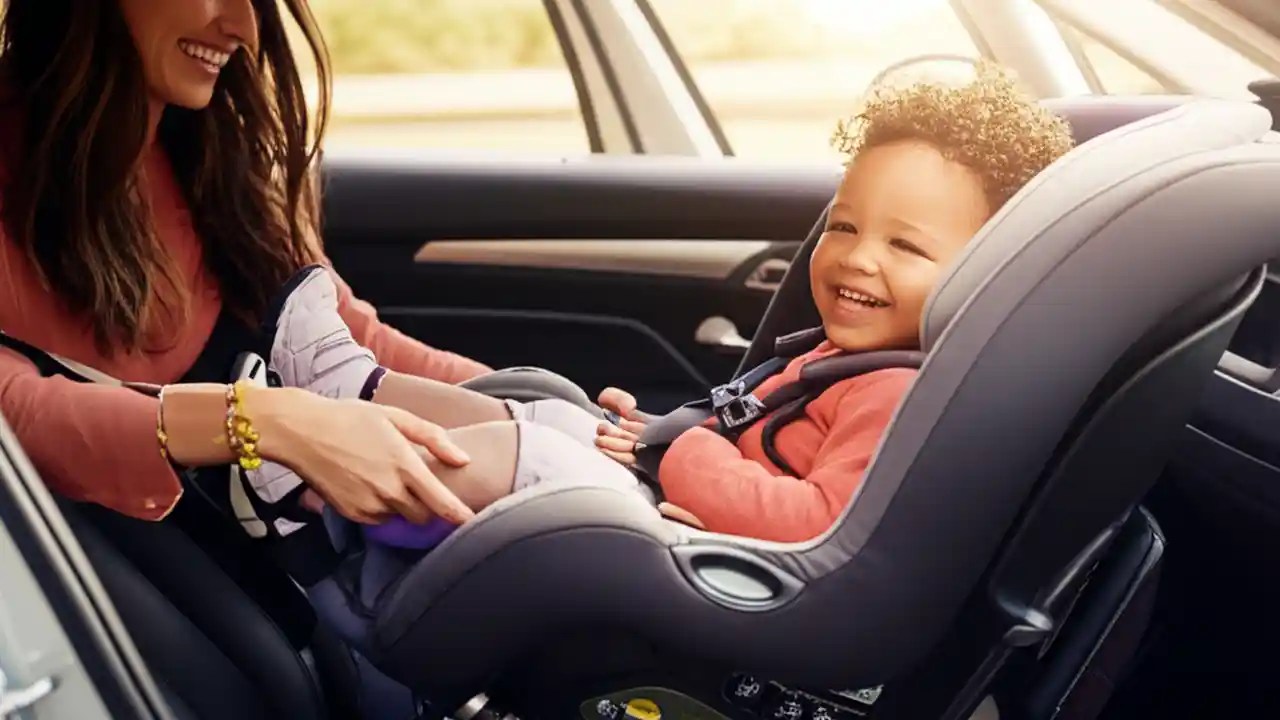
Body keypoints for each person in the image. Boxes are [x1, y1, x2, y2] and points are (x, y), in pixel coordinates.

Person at [252, 62, 1077, 545]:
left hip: (695, 548)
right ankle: (348, 389)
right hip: (680, 496)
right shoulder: (849, 356)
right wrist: (661, 429)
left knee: (537, 459)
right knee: (551, 410)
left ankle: (306, 485)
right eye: (848, 225)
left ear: (988, 271)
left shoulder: (897, 391)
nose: (858, 256)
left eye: (905, 246)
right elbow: (759, 440)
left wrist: (678, 455)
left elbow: (814, 519)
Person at [0, 0, 493, 530]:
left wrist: (554, 418)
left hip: (286, 576)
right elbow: (19, 415)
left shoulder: (218, 161)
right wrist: (263, 422)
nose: (244, 29)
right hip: (117, 593)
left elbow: (354, 337)